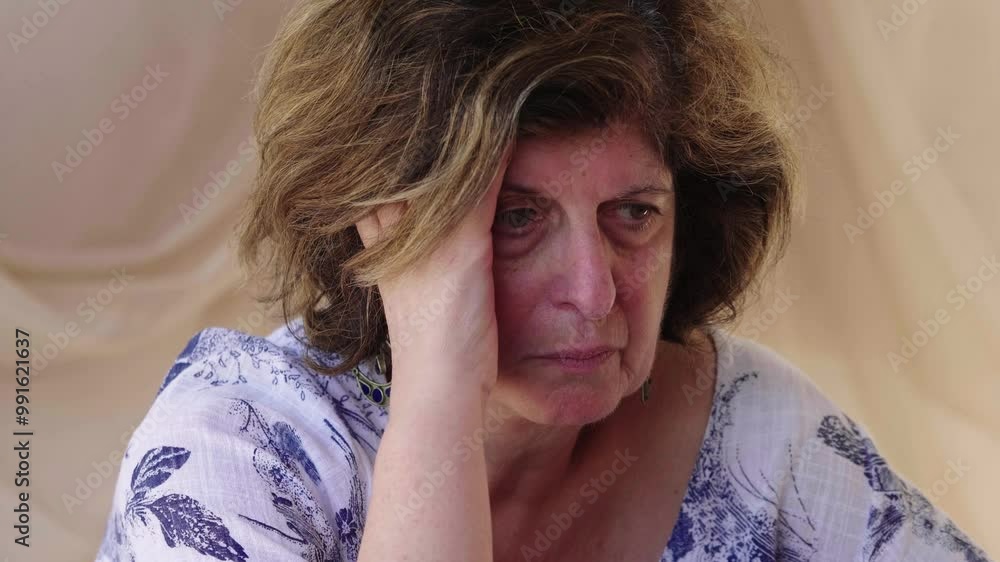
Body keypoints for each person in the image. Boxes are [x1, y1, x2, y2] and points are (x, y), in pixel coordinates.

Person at [96, 0, 992, 561]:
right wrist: (440, 390)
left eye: (633, 214)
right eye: (516, 220)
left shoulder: (751, 421)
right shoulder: (230, 454)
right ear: (380, 225)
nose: (595, 295)